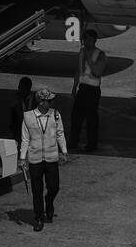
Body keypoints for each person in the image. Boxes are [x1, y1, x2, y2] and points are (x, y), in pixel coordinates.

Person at [18, 87, 67, 231]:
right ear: (41, 102)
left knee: (54, 187)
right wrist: (22, 158)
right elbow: (25, 139)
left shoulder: (55, 114)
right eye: (48, 101)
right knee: (37, 190)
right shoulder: (28, 117)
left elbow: (60, 134)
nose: (51, 103)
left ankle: (49, 201)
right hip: (35, 159)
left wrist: (64, 151)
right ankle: (38, 218)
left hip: (51, 158)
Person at [71, 29, 106, 151]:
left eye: (90, 40)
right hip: (82, 89)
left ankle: (91, 144)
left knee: (91, 119)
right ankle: (73, 141)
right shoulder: (81, 52)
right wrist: (74, 86)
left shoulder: (100, 54)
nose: (87, 43)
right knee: (76, 117)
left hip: (93, 90)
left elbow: (97, 72)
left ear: (94, 41)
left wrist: (89, 58)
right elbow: (78, 70)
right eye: (85, 40)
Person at [7, 77, 34, 143]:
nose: (19, 90)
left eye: (22, 88)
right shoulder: (16, 100)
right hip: (18, 135)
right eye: (19, 87)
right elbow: (13, 120)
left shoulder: (35, 101)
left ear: (28, 88)